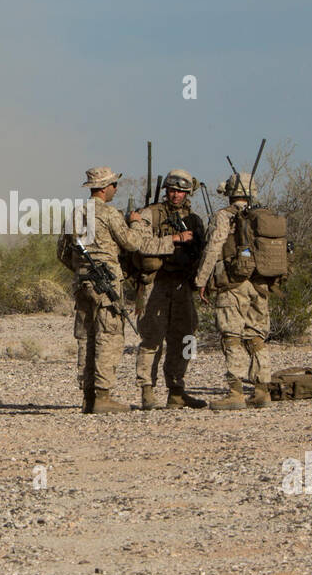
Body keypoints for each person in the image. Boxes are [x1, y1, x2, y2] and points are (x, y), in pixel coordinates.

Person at [57, 167, 193, 413]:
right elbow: (132, 243)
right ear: (104, 188)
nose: (115, 189)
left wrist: (82, 270)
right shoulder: (109, 213)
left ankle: (88, 396)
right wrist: (137, 224)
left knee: (86, 337)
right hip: (105, 283)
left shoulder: (75, 213)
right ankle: (103, 396)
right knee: (108, 337)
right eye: (114, 185)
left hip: (82, 283)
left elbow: (62, 253)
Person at [193, 172, 274, 410]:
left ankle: (235, 392)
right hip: (259, 284)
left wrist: (201, 279)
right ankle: (262, 390)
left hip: (231, 284)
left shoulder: (224, 216)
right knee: (256, 336)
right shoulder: (264, 216)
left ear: (229, 192)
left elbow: (213, 248)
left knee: (232, 337)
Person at [130, 169, 208, 409]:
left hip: (183, 285)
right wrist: (174, 240)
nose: (176, 195)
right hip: (156, 283)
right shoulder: (150, 214)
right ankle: (147, 390)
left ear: (188, 194)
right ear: (166, 190)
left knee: (187, 338)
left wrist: (203, 281)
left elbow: (203, 251)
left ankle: (177, 390)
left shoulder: (194, 219)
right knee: (152, 338)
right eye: (173, 190)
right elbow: (140, 244)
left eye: (181, 192)